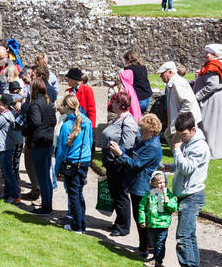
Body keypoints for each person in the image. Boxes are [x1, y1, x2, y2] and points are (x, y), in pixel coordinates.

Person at [109, 112, 164, 258]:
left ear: (151, 131)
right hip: (136, 185)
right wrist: (119, 148)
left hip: (142, 187)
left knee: (141, 219)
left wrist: (120, 153)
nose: (140, 132)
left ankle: (145, 248)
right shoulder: (145, 141)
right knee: (140, 218)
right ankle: (146, 245)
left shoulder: (153, 146)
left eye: (143, 130)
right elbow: (132, 152)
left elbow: (135, 164)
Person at [165, 110, 209, 267]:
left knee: (183, 235)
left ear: (192, 129)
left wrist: (176, 149)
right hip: (186, 195)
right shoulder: (189, 143)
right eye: (179, 134)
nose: (180, 138)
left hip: (192, 196)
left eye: (183, 134)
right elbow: (180, 165)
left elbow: (187, 168)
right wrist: (167, 167)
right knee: (189, 235)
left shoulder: (199, 147)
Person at [101, 91, 140, 239]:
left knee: (120, 194)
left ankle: (123, 227)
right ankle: (119, 221)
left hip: (119, 164)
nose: (113, 104)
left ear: (121, 104)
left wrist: (119, 158)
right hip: (112, 163)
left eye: (115, 101)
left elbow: (128, 145)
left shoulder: (128, 121)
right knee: (115, 193)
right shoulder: (118, 118)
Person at [54, 94, 92, 232]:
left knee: (74, 194)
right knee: (79, 193)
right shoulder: (87, 122)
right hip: (85, 162)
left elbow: (61, 152)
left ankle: (77, 226)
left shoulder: (66, 126)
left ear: (65, 107)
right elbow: (90, 142)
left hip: (72, 163)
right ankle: (81, 223)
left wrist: (57, 169)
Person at [192, 45, 222, 160]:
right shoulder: (214, 65)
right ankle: (216, 151)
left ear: (214, 54)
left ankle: (212, 152)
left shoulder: (213, 66)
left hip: (211, 99)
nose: (205, 55)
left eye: (208, 53)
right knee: (214, 125)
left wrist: (198, 95)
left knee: (209, 125)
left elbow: (213, 84)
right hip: (214, 98)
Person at [25, 79, 58, 215]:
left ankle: (46, 207)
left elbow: (35, 121)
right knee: (46, 177)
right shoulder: (48, 102)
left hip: (39, 143)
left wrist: (25, 130)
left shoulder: (35, 104)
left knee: (42, 177)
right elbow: (53, 121)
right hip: (48, 142)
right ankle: (47, 204)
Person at [138, 170, 177, 267]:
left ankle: (158, 261)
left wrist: (166, 200)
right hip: (152, 223)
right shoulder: (150, 194)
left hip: (162, 224)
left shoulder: (168, 194)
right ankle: (155, 258)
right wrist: (142, 220)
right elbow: (142, 207)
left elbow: (173, 208)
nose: (162, 185)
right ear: (153, 183)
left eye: (163, 182)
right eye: (159, 183)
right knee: (155, 243)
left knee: (160, 243)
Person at [158, 61, 201, 142]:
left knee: (185, 140)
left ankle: (182, 153)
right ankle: (179, 153)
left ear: (170, 72)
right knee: (169, 135)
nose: (160, 76)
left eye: (162, 73)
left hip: (186, 120)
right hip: (181, 119)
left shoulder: (177, 82)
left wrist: (180, 119)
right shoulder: (172, 83)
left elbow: (187, 102)